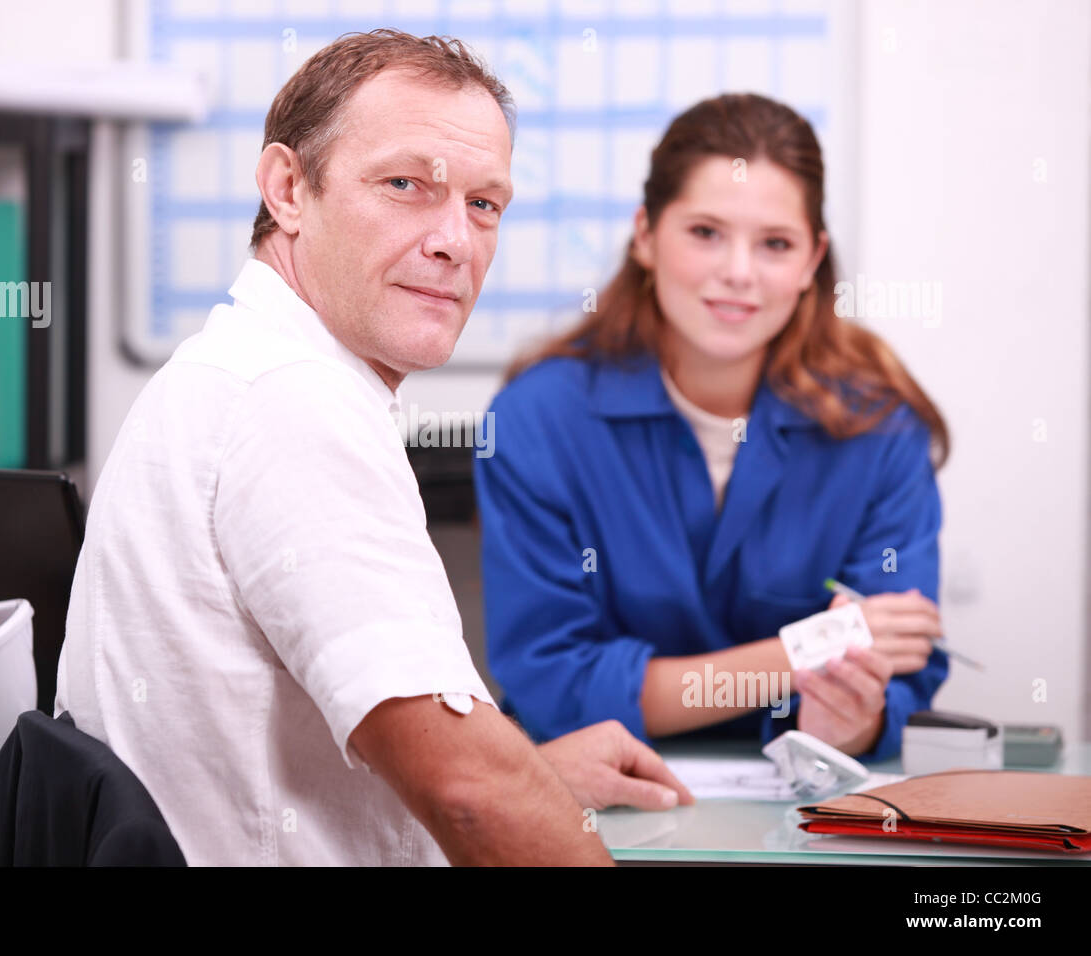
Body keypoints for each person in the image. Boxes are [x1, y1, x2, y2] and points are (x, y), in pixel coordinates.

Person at [55, 29, 691, 868]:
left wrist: (528, 770)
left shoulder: (237, 369)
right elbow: (466, 792)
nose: (455, 242)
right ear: (288, 188)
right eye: (405, 185)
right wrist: (505, 783)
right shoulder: (292, 401)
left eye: (483, 204)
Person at [473, 92, 949, 762]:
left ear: (813, 261)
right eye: (705, 233)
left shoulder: (878, 428)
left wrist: (849, 719)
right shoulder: (537, 420)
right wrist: (801, 653)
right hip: (599, 812)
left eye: (775, 244)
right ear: (645, 234)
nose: (738, 273)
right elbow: (555, 685)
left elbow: (905, 677)